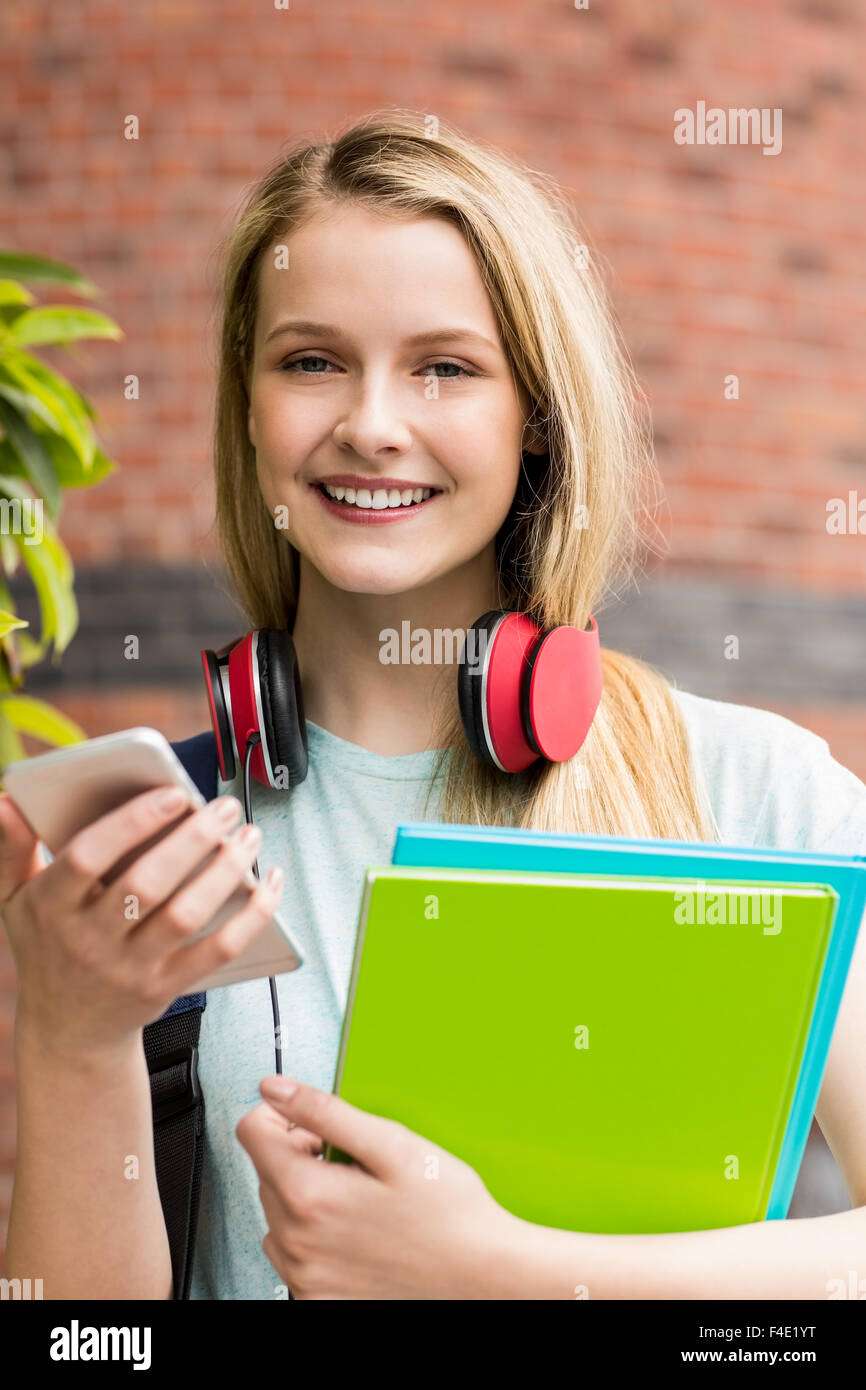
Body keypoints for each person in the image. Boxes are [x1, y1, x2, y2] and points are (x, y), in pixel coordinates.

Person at [3, 110, 864, 1300]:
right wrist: (71, 1028)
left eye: (444, 367)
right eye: (310, 361)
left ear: (536, 426)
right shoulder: (155, 839)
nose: (369, 422)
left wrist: (498, 1270)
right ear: (248, 413)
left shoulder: (751, 788)